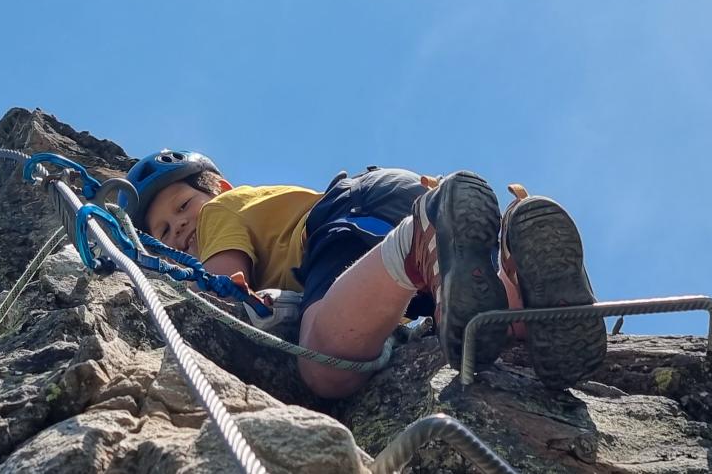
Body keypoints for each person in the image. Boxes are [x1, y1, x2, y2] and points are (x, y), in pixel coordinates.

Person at [123, 150, 606, 398]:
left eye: (183, 206)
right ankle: (520, 285)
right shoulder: (241, 208)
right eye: (163, 230)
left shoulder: (221, 211)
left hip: (347, 220)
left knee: (324, 365)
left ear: (219, 188)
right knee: (472, 316)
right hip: (392, 201)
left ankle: (420, 239)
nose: (179, 226)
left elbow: (224, 287)